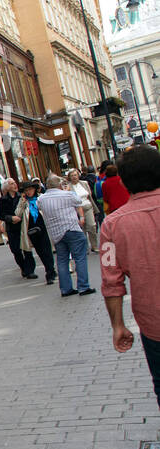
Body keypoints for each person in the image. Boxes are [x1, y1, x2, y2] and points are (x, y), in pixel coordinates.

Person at [100, 145, 160, 407]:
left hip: (153, 320)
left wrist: (118, 325)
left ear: (124, 182)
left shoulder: (112, 225)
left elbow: (111, 282)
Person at [37, 174, 93, 297]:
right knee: (80, 258)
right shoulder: (68, 195)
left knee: (62, 260)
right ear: (59, 184)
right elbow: (79, 201)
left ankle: (66, 289)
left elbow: (39, 206)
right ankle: (83, 287)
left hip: (56, 233)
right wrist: (67, 191)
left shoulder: (41, 199)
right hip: (71, 228)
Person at [15, 180, 56, 284]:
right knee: (40, 252)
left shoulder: (41, 198)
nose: (28, 192)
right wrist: (22, 203)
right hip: (31, 230)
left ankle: (50, 273)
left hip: (44, 227)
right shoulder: (23, 201)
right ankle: (50, 270)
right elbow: (17, 214)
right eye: (26, 190)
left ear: (34, 189)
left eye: (30, 189)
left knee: (47, 251)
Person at [0, 178, 34, 278]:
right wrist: (11, 218)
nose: (15, 185)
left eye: (14, 183)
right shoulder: (2, 201)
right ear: (7, 187)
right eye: (12, 184)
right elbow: (0, 215)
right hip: (12, 228)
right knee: (16, 250)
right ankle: (23, 268)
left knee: (27, 249)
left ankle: (30, 270)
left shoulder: (22, 197)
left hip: (23, 226)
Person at [66, 169, 99, 252]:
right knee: (82, 229)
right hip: (77, 209)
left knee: (92, 226)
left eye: (75, 175)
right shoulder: (68, 187)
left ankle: (94, 245)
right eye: (72, 176)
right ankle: (85, 247)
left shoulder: (84, 183)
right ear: (69, 177)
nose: (74, 177)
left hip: (88, 206)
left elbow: (90, 195)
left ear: (78, 175)